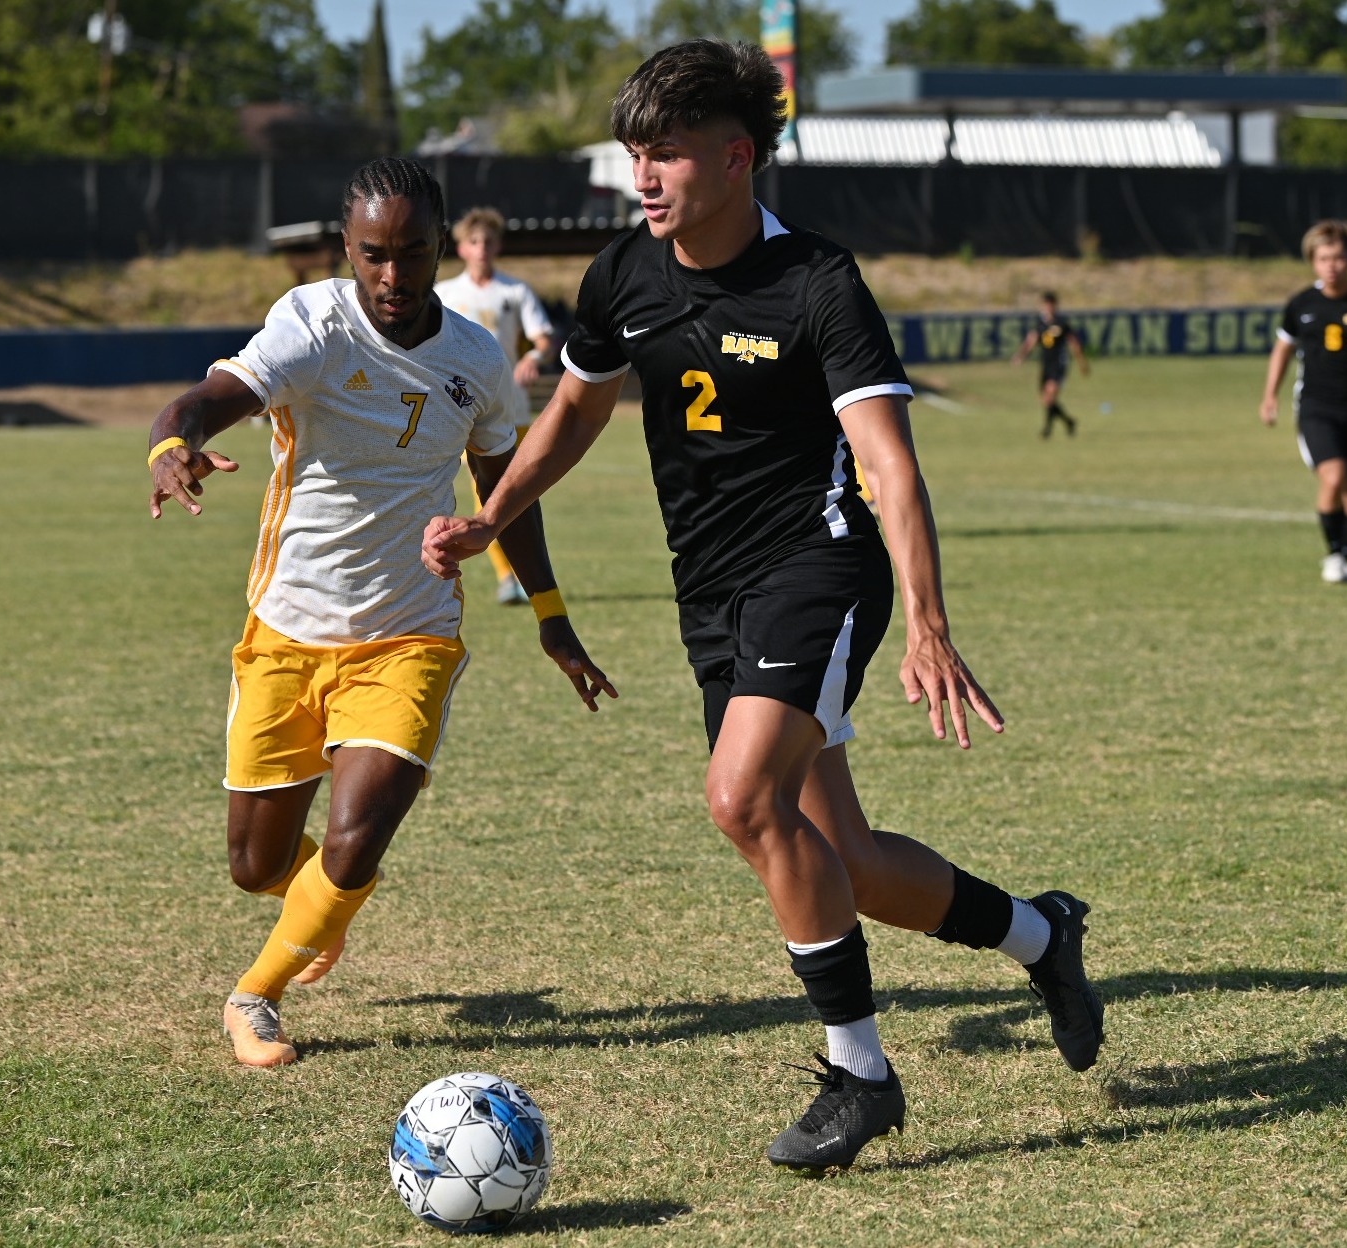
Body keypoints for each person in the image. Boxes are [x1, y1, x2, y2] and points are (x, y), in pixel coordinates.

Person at [420, 40, 1104, 1170]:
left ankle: (860, 1076)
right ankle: (1043, 934)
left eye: (668, 155)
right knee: (847, 860)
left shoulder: (816, 282)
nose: (643, 176)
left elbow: (886, 463)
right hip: (711, 594)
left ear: (736, 160)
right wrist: (496, 514)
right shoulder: (620, 277)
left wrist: (927, 621)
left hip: (818, 565)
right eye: (633, 153)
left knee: (739, 800)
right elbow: (579, 413)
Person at [146, 157, 614, 1069]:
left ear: (442, 245)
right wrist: (174, 443)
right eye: (373, 256)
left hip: (410, 631)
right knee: (255, 867)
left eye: (411, 253)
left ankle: (256, 997)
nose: (393, 278)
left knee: (360, 836)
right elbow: (211, 398)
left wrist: (551, 613)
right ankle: (324, 902)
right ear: (347, 248)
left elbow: (505, 486)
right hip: (287, 628)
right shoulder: (312, 323)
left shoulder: (478, 360)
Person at [1259, 219, 1347, 584]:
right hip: (1315, 407)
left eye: (1337, 258)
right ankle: (1333, 555)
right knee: (1332, 476)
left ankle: (1346, 556)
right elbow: (1283, 349)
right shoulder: (1302, 304)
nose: (1331, 266)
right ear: (1313, 262)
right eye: (1323, 259)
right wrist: (1269, 394)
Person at [435, 207, 558, 605]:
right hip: (463, 409)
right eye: (474, 242)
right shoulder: (447, 294)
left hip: (513, 408)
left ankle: (520, 574)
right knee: (485, 491)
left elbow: (543, 341)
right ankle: (509, 577)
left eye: (488, 242)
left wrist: (532, 359)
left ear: (497, 246)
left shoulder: (514, 291)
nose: (482, 249)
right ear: (461, 248)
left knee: (519, 494)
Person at [1010, 291, 1089, 438]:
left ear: (1055, 305)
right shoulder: (1040, 324)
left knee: (1050, 395)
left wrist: (1082, 363)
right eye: (1045, 304)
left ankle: (1047, 430)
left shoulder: (1061, 323)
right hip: (1046, 364)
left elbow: (1074, 343)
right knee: (1046, 400)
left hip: (1059, 364)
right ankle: (1069, 421)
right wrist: (1020, 356)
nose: (1048, 307)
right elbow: (1031, 341)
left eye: (1050, 304)